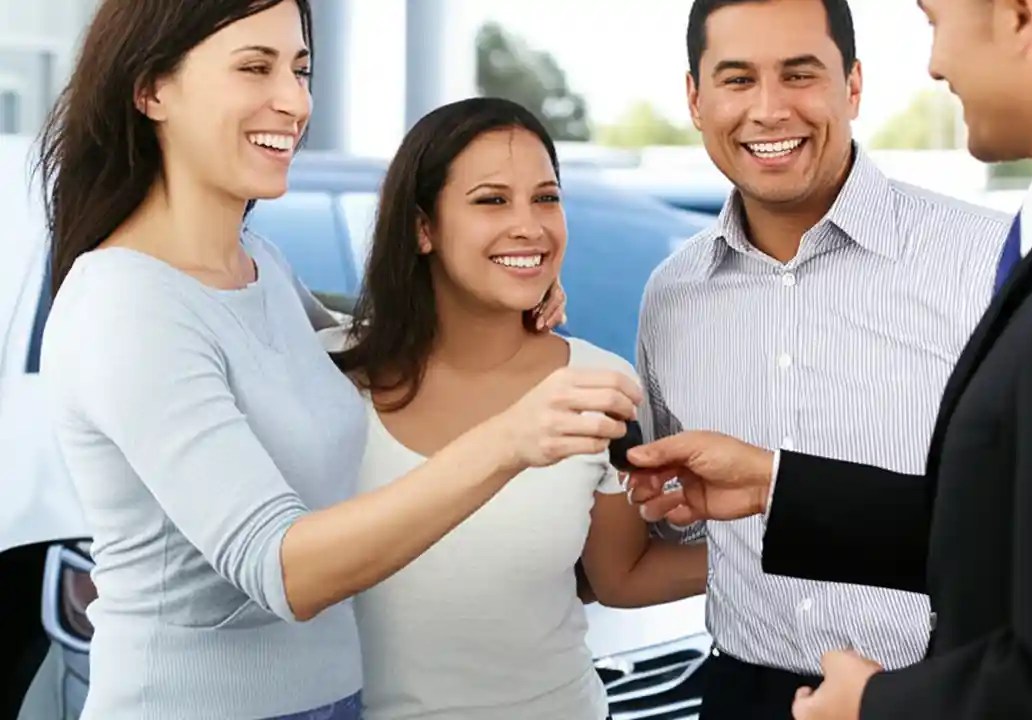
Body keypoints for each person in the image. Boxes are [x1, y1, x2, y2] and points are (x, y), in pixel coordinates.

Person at [629, 0, 1032, 717]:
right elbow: (1026, 533)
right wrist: (774, 486)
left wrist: (876, 706)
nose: (936, 64)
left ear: (1023, 15)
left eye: (937, 19)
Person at [34, 1, 631, 718]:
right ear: (152, 89)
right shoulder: (126, 304)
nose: (293, 101)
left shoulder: (259, 266)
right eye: (255, 66)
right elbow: (282, 569)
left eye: (301, 68)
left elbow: (378, 343)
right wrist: (510, 438)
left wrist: (501, 287)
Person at [630, 0, 1007, 716]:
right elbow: (673, 527)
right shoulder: (671, 296)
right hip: (741, 694)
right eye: (737, 80)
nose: (769, 110)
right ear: (695, 99)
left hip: (936, 697)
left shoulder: (985, 260)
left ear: (853, 86)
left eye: (799, 75)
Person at [318, 96, 708, 720]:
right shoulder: (328, 376)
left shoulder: (600, 382)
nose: (529, 224)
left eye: (546, 198)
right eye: (491, 200)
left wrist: (785, 544)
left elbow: (621, 576)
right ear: (423, 227)